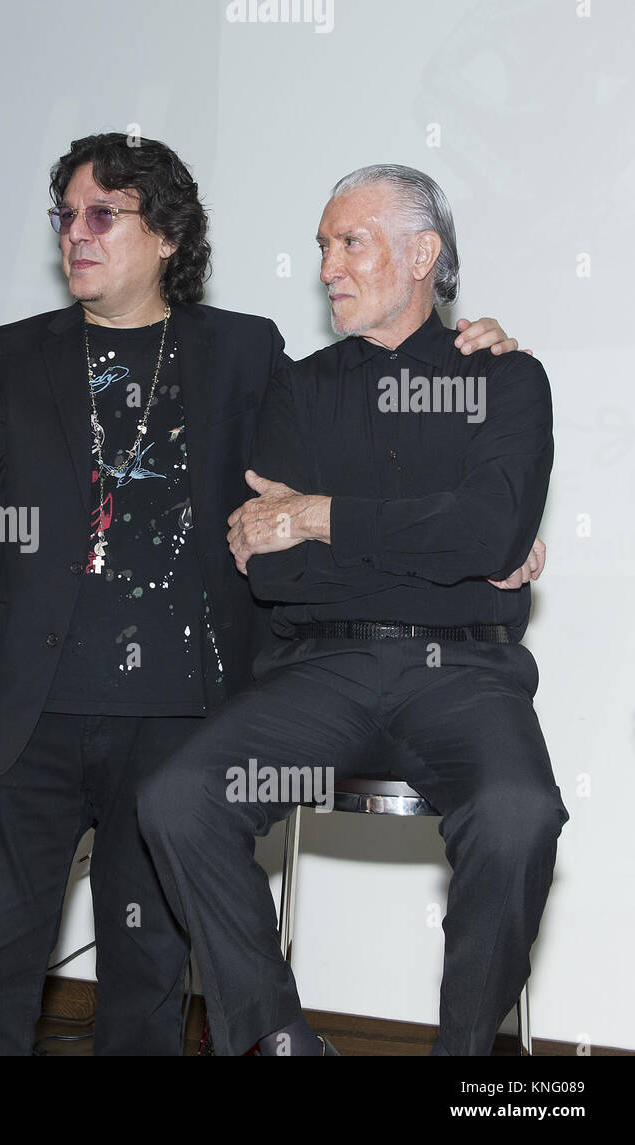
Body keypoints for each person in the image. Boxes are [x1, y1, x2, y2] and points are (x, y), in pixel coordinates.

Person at [0, 133, 518, 1055]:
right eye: (65, 214)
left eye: (102, 213)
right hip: (22, 714)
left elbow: (353, 444)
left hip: (181, 716)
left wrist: (471, 355)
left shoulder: (244, 351)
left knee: (149, 975)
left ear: (165, 234)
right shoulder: (2, 356)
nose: (77, 233)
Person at [138, 163, 564, 1056]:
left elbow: (487, 534)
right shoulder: (296, 389)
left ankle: (466, 1067)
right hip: (317, 674)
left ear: (422, 254)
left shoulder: (508, 379)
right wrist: (445, 552)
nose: (329, 265)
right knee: (179, 797)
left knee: (519, 813)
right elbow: (276, 578)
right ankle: (280, 1038)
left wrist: (320, 516)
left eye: (351, 242)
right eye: (323, 246)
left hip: (465, 674)